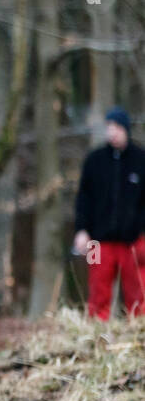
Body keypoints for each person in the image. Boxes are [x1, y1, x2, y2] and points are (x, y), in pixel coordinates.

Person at [72, 105, 145, 319]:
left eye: (116, 127)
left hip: (133, 241)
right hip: (97, 240)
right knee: (97, 293)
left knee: (138, 294)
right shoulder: (94, 161)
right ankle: (97, 336)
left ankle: (138, 336)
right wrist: (81, 230)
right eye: (109, 127)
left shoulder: (141, 160)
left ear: (125, 129)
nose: (112, 132)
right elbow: (83, 199)